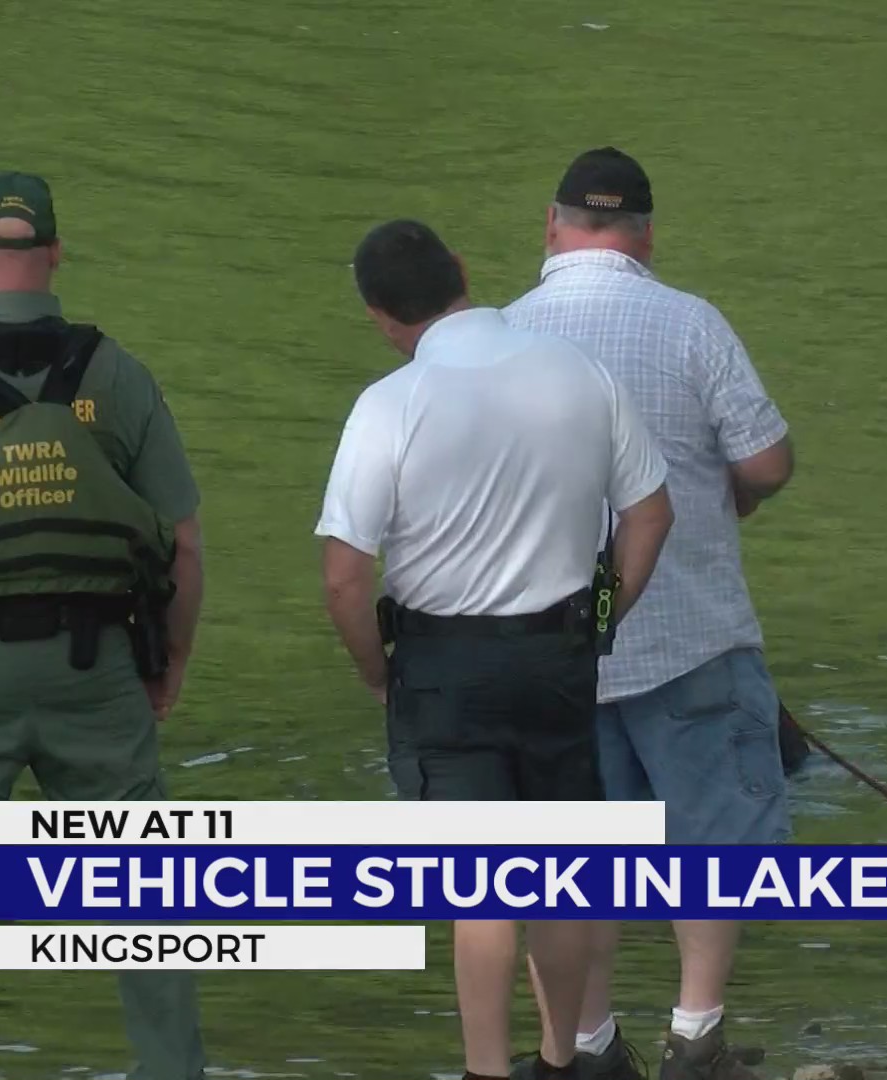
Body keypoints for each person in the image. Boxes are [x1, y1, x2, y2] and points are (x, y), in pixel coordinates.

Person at [316, 219, 674, 1080]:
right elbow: (651, 514)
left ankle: (485, 1069)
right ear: (463, 271)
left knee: (480, 889)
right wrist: (601, 621)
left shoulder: (390, 405)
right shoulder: (578, 372)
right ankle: (561, 1058)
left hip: (443, 667)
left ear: (379, 315)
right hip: (559, 657)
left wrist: (378, 672)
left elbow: (344, 577)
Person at [0, 172, 207, 1079]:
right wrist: (168, 663)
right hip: (96, 673)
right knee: (147, 896)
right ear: (56, 253)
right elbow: (183, 542)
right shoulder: (118, 375)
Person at [502, 147, 795, 1080]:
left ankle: (587, 1044)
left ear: (552, 228)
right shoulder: (691, 324)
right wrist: (732, 493)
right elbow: (766, 463)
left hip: (552, 648)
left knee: (572, 860)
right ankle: (695, 1034)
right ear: (647, 237)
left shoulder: (503, 335)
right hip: (689, 633)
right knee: (712, 839)